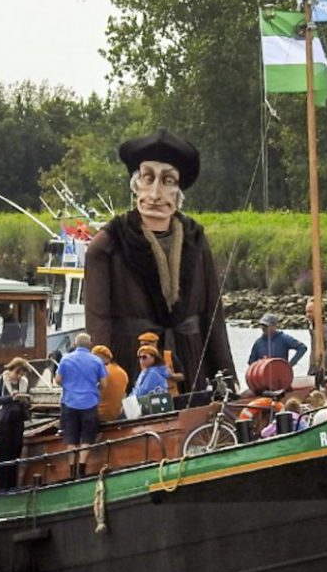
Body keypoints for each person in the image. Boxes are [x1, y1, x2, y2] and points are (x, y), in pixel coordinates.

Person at [84, 129, 234, 395]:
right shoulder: (107, 243)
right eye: (147, 178)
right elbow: (98, 321)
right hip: (132, 361)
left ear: (178, 191)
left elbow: (213, 317)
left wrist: (227, 378)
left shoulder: (196, 240)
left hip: (189, 362)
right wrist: (101, 380)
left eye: (167, 180)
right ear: (135, 184)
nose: (155, 193)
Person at [55, 332, 107, 468]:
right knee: (87, 437)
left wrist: (68, 386)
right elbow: (104, 384)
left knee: (71, 438)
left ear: (74, 344)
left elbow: (58, 380)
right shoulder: (97, 361)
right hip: (89, 403)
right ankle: (82, 467)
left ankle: (72, 468)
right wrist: (94, 387)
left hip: (70, 402)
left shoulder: (66, 359)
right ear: (90, 345)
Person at [0, 357, 31, 489]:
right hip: (3, 421)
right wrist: (10, 397)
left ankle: (12, 484)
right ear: (11, 369)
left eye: (21, 374)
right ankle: (0, 484)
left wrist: (24, 400)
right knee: (3, 451)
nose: (19, 377)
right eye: (17, 373)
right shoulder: (0, 381)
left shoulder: (24, 383)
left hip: (17, 420)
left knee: (16, 450)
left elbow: (27, 402)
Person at [92, 344, 129, 422]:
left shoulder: (100, 372)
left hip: (100, 415)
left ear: (101, 357)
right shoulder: (123, 372)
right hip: (117, 414)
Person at [305, 297, 327, 377]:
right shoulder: (312, 327)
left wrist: (322, 361)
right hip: (313, 369)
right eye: (306, 312)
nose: (308, 315)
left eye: (310, 312)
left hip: (325, 370)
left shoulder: (324, 327)